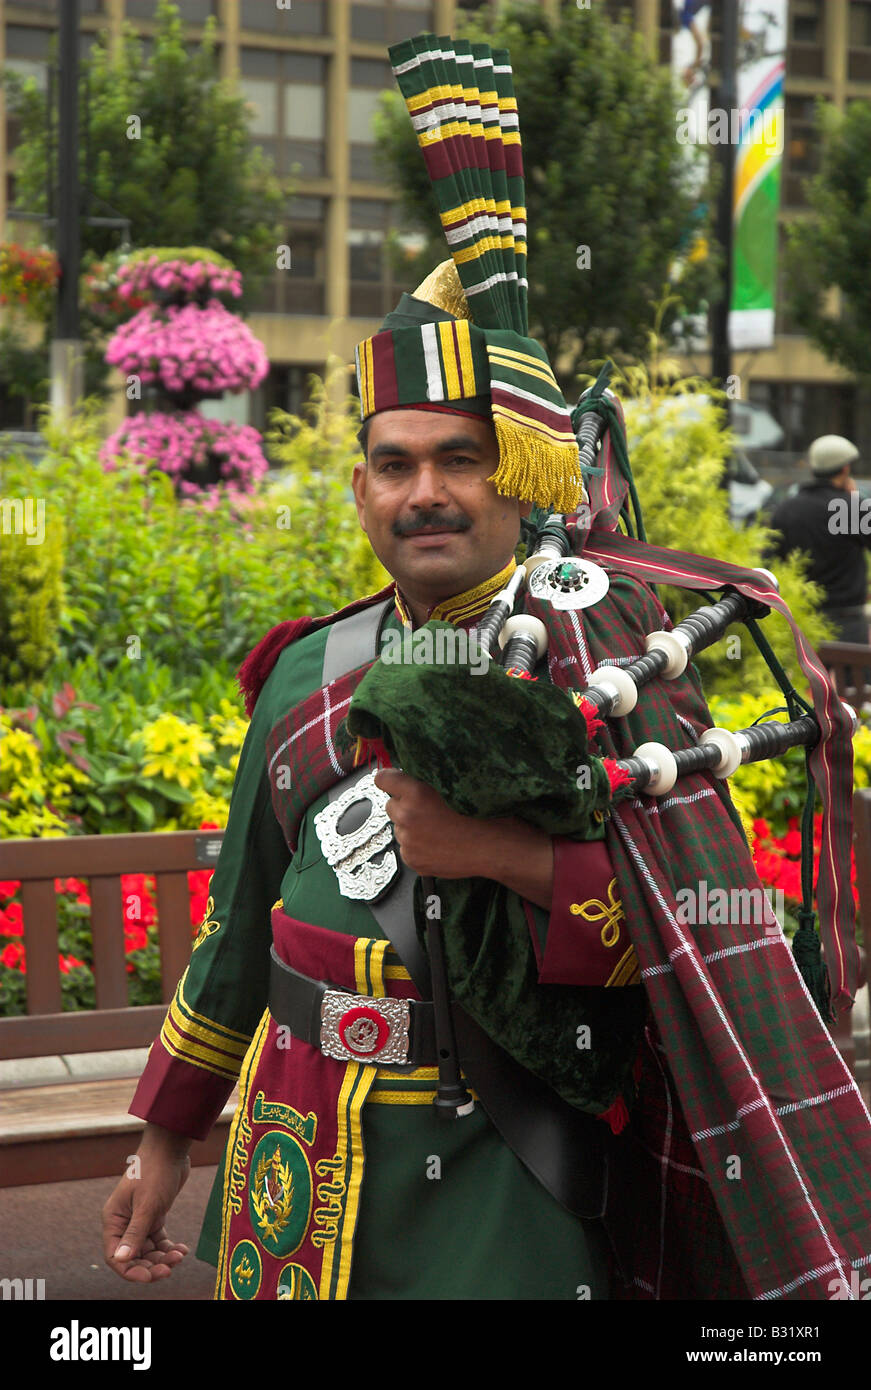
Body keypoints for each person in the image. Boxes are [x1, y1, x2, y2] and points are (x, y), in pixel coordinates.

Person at [102, 32, 871, 1302]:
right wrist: (166, 1136)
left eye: (461, 458)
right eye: (395, 463)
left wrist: (499, 851)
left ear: (522, 468)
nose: (426, 492)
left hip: (502, 1161)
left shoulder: (615, 659)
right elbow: (240, 927)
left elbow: (696, 933)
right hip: (293, 1159)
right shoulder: (306, 675)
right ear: (358, 487)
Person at [768, 434, 870, 644]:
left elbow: (771, 562)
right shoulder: (850, 508)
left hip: (803, 623)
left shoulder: (786, 509)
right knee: (857, 677)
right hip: (849, 624)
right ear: (845, 469)